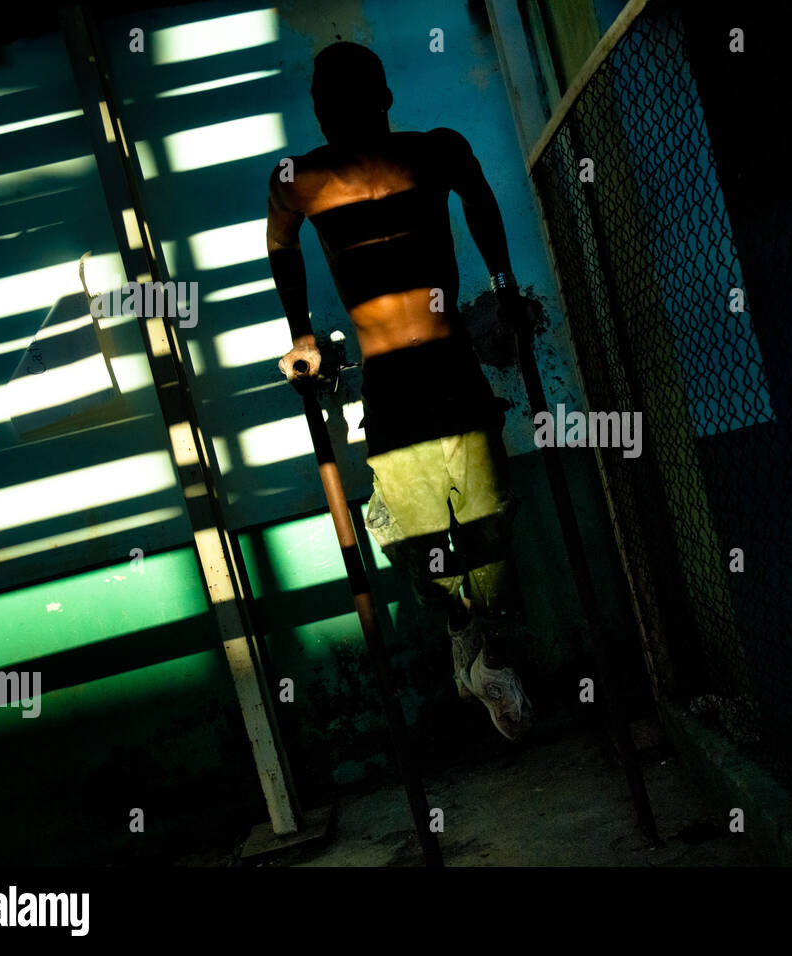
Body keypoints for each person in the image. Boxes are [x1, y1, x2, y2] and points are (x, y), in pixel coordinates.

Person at [265, 41, 532, 740]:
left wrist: (503, 288)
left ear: (384, 98)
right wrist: (301, 335)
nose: (338, 113)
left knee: (491, 528)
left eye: (352, 97)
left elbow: (478, 194)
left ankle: (487, 658)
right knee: (421, 545)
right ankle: (460, 629)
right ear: (318, 112)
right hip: (389, 379)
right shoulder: (301, 178)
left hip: (451, 366)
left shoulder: (436, 150)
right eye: (328, 101)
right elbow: (282, 247)